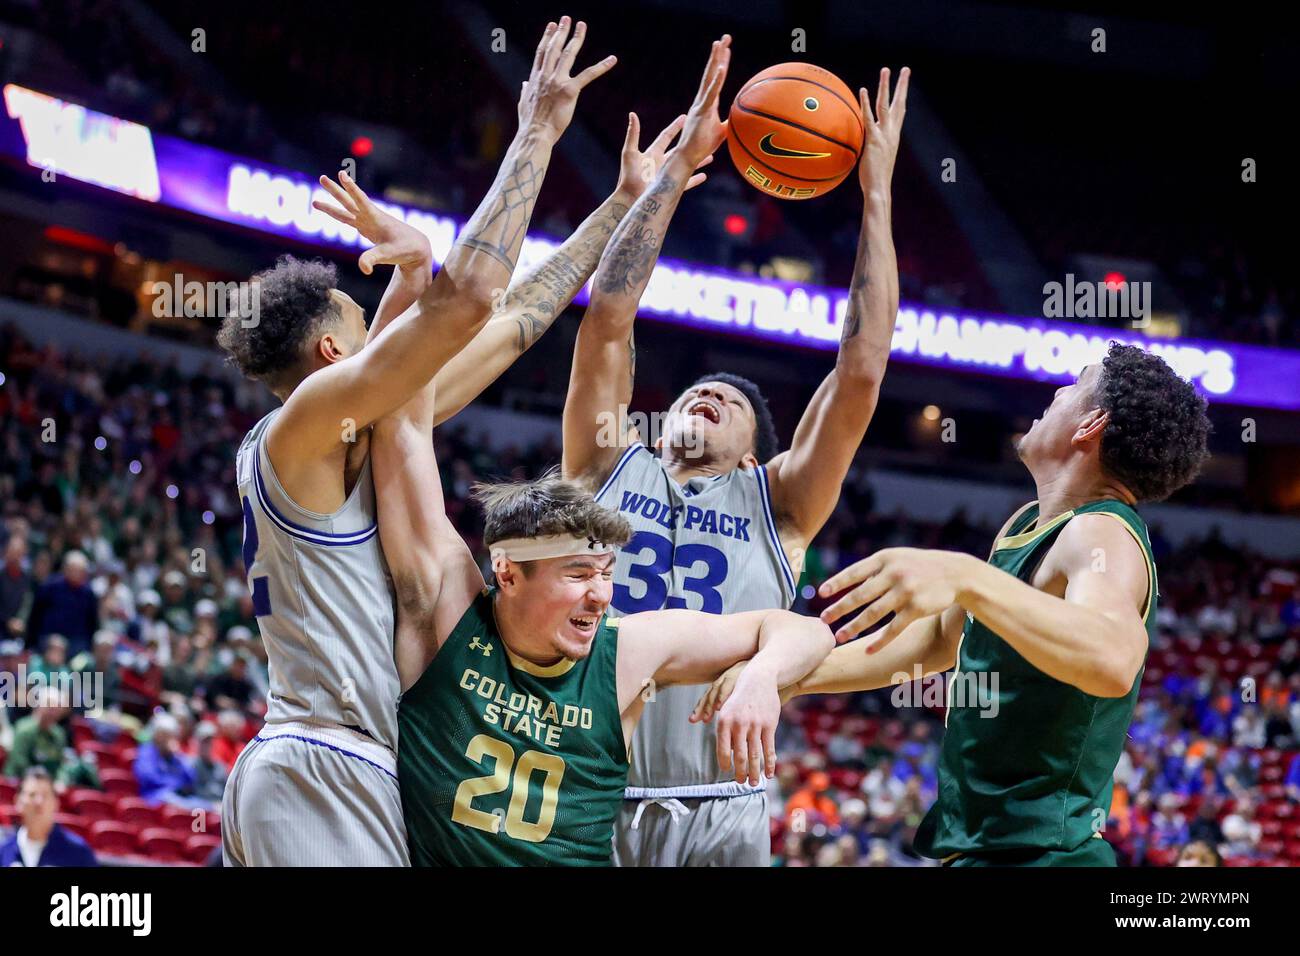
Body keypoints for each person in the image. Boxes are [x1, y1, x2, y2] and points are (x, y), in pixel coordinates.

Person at [216, 17, 616, 867]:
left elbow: (506, 326)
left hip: (344, 767)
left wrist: (622, 204)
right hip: (321, 757)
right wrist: (537, 132)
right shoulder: (304, 429)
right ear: (333, 353)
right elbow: (467, 298)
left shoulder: (368, 431)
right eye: (372, 326)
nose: (398, 344)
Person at [561, 42, 911, 865]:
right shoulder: (607, 465)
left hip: (721, 806)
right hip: (590, 792)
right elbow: (608, 315)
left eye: (730, 403)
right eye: (690, 395)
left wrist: (877, 195)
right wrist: (676, 175)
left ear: (759, 455)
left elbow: (861, 370)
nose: (704, 396)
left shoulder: (780, 502)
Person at [699, 343, 1212, 866]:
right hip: (988, 850)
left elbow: (1113, 658)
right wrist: (790, 676)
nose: (1057, 392)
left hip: (1047, 856)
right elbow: (942, 640)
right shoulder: (1028, 524)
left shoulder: (1100, 533)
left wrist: (967, 576)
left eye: (1075, 385)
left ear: (1090, 425)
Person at [0, 768, 97, 867]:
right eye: (32, 795)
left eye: (45, 795)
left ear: (56, 802)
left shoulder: (79, 852)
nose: (39, 801)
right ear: (18, 801)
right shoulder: (4, 852)